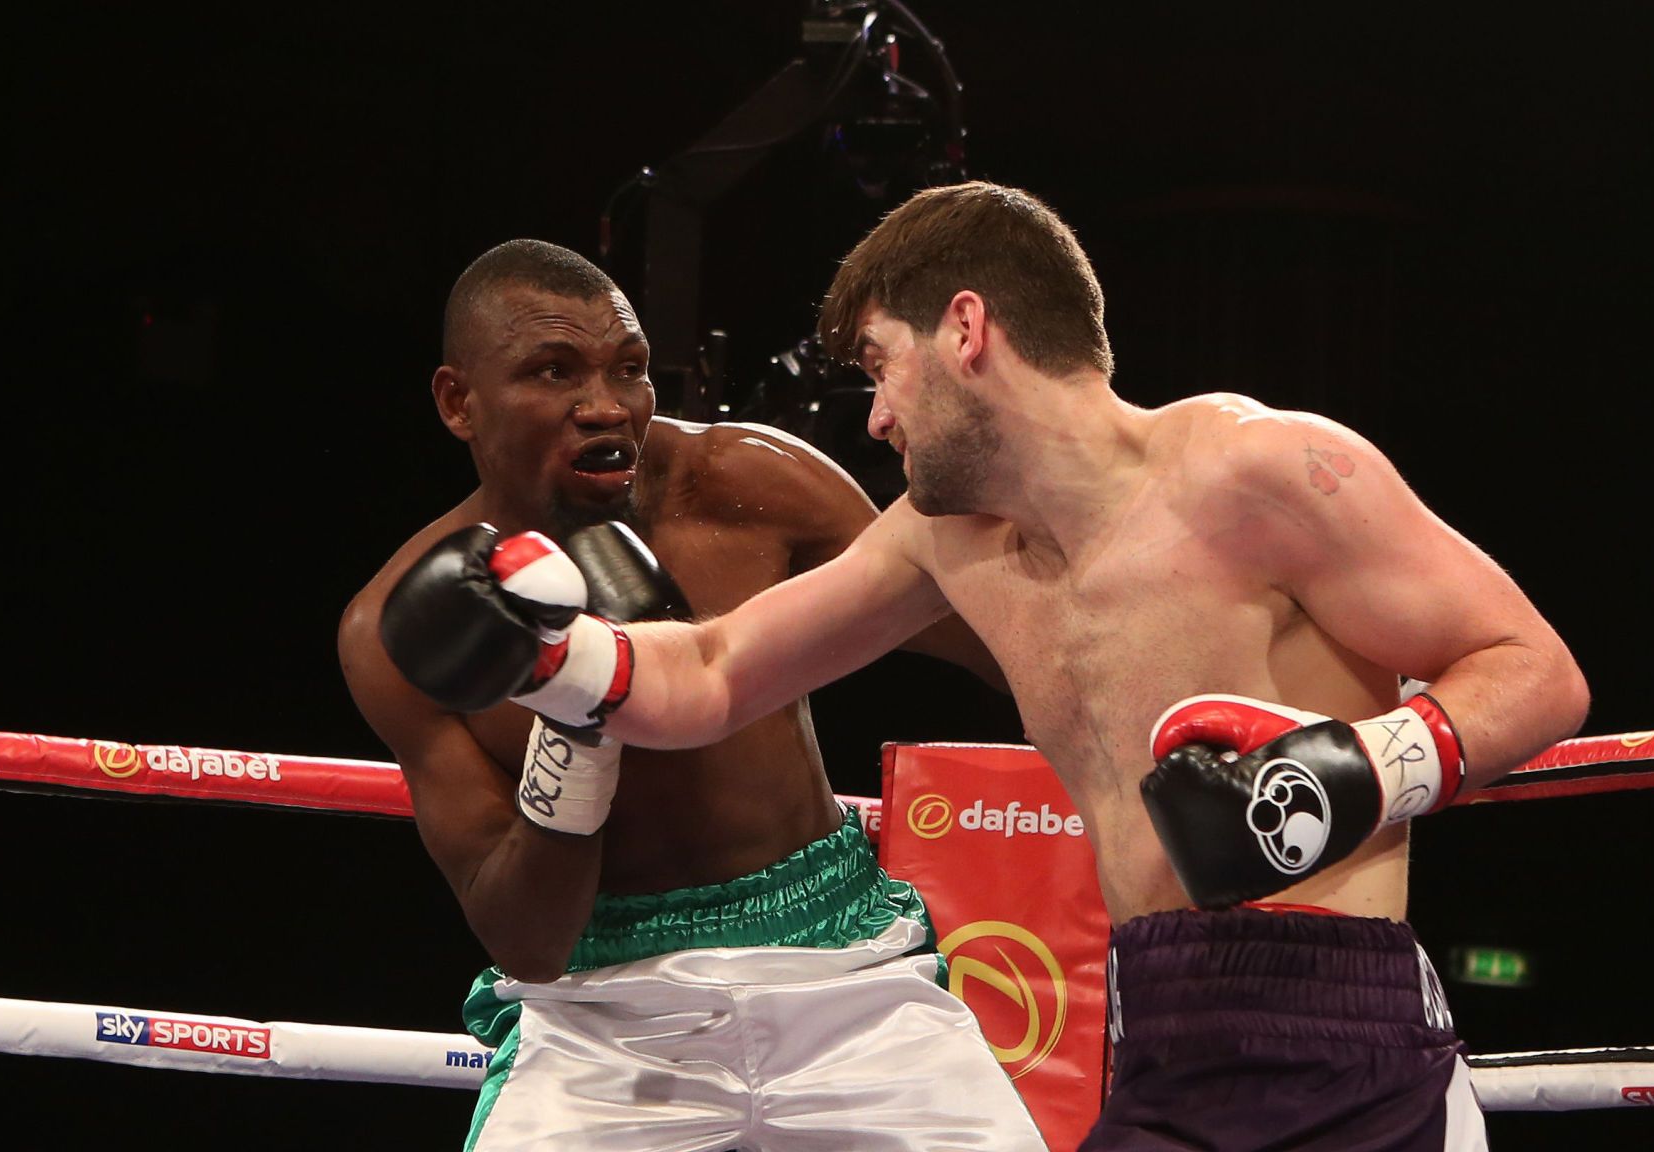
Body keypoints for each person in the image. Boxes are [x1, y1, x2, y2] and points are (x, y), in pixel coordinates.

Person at [386, 186, 1591, 1151]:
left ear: (964, 331)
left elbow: (1533, 669)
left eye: (878, 366)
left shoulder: (1258, 469)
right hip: (1159, 1034)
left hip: (1346, 1030)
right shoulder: (946, 541)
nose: (873, 418)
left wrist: (1343, 774)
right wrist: (552, 655)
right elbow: (709, 668)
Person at [338, 238, 1048, 1151]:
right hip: (600, 1012)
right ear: (457, 402)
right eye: (554, 371)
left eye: (628, 368)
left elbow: (1005, 646)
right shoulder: (398, 631)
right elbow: (528, 940)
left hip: (848, 972)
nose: (606, 405)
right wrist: (576, 718)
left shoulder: (751, 483)